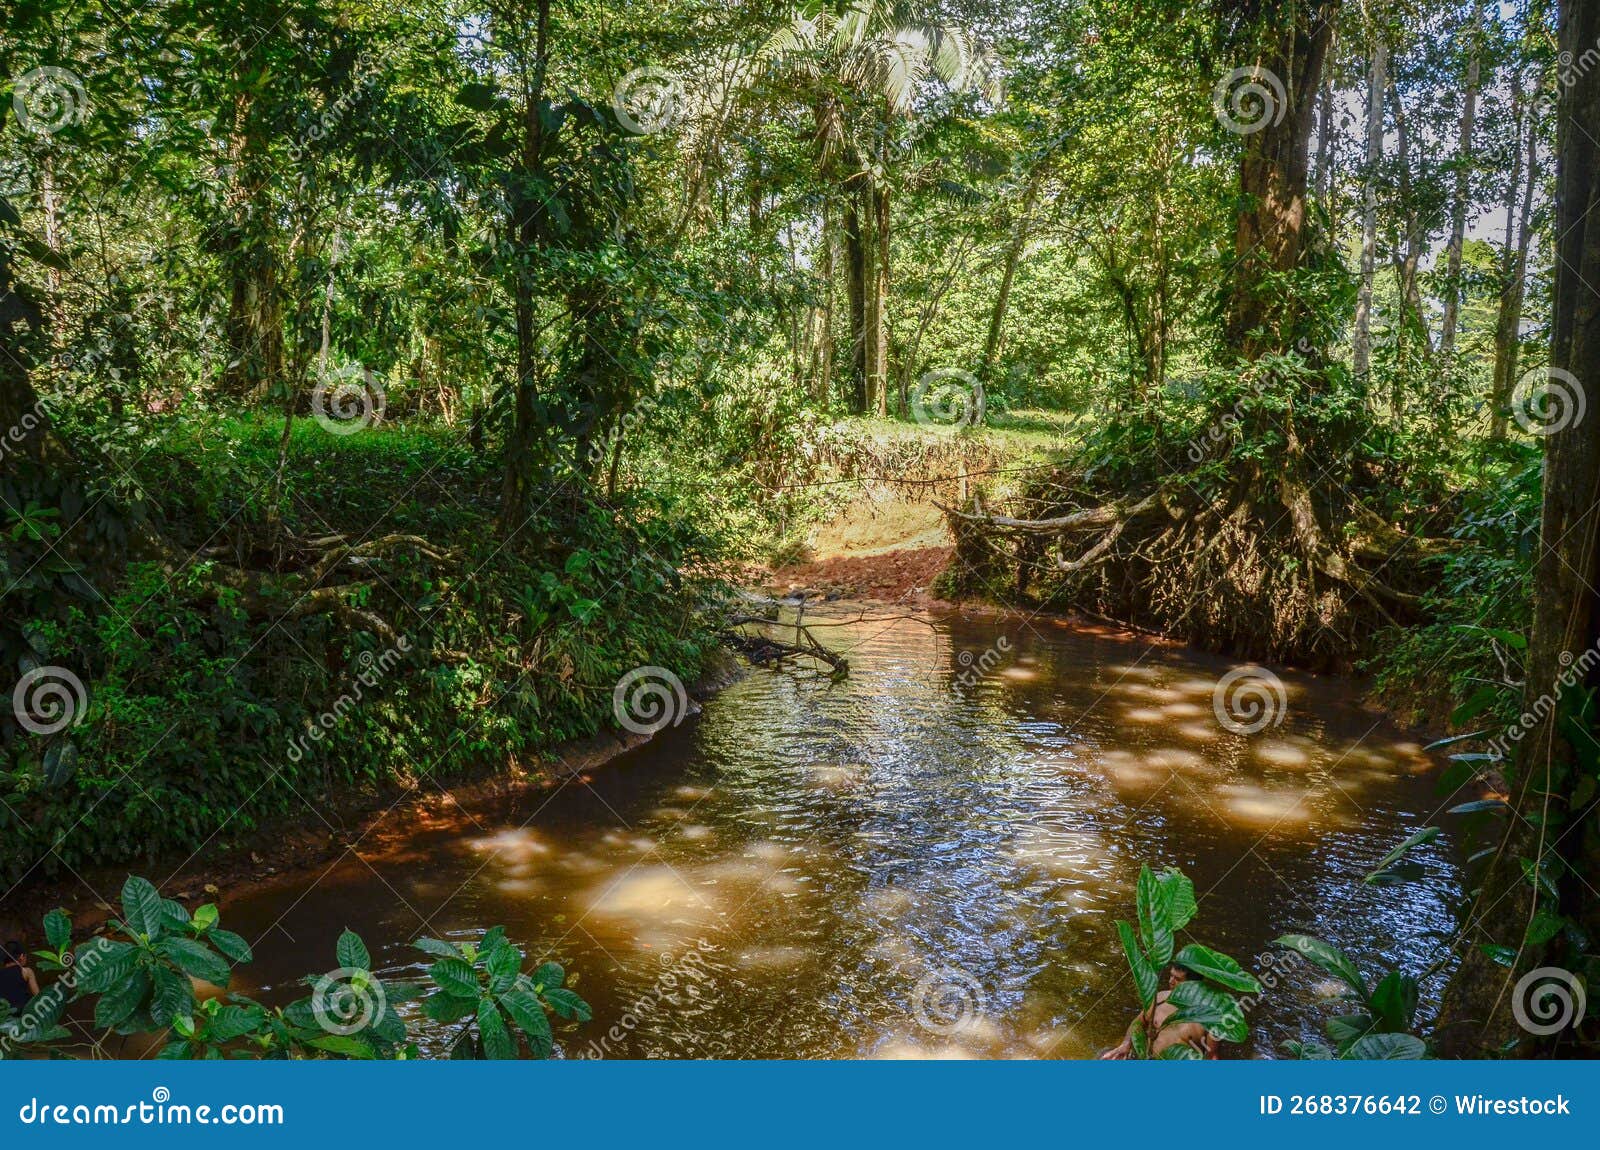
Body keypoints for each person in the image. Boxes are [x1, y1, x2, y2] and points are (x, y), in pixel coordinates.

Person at [1097, 965, 1219, 1059]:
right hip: (1146, 1058)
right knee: (1106, 1055)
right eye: (1171, 976)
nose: (1171, 981)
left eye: (1177, 979)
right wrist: (1125, 1044)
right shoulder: (1160, 998)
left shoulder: (1208, 1016)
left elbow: (1211, 1055)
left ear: (1193, 985)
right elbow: (1138, 1022)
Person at [0, 939, 40, 1012]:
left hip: (4, 1016)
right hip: (23, 1015)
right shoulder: (26, 971)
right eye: (26, 956)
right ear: (21, 956)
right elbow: (38, 997)